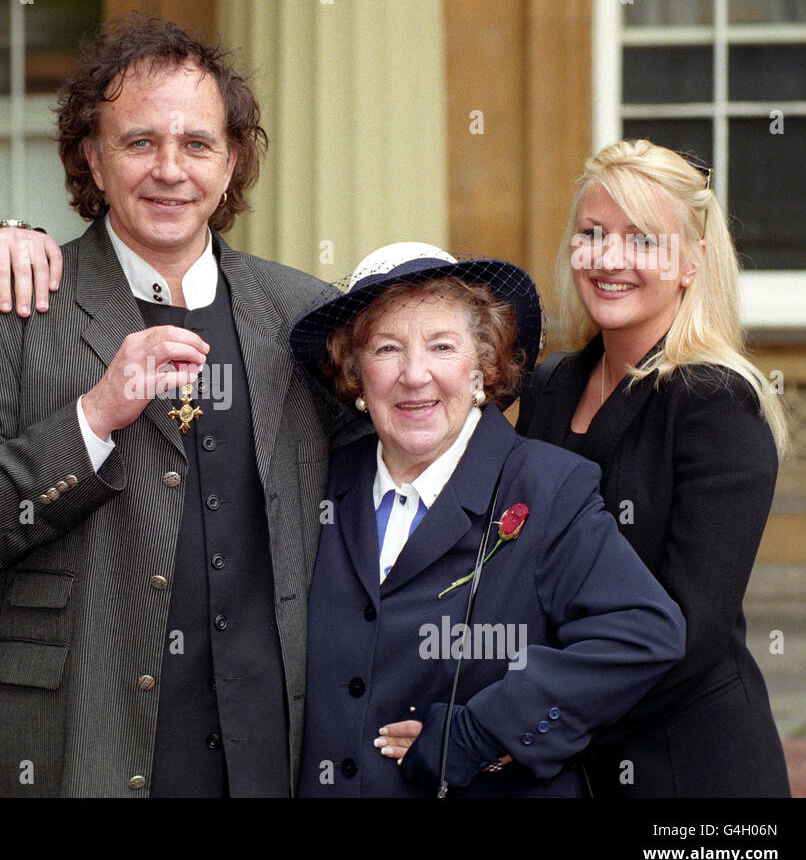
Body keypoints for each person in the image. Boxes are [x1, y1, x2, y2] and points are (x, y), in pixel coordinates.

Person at [0, 18, 362, 797]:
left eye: (197, 144)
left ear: (232, 164)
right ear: (91, 155)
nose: (170, 170)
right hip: (78, 745)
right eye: (139, 142)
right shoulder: (9, 307)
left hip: (272, 751)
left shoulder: (304, 316)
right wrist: (89, 418)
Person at [289, 242, 686, 797]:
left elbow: (641, 634)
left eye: (442, 346)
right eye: (386, 349)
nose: (414, 375)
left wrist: (479, 733)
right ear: (356, 374)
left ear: (484, 364)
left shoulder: (547, 489)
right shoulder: (320, 485)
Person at [517, 138, 792, 797]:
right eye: (592, 234)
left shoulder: (716, 402)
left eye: (643, 240)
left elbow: (687, 635)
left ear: (692, 262)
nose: (610, 259)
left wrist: (526, 724)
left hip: (689, 771)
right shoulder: (551, 386)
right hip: (564, 773)